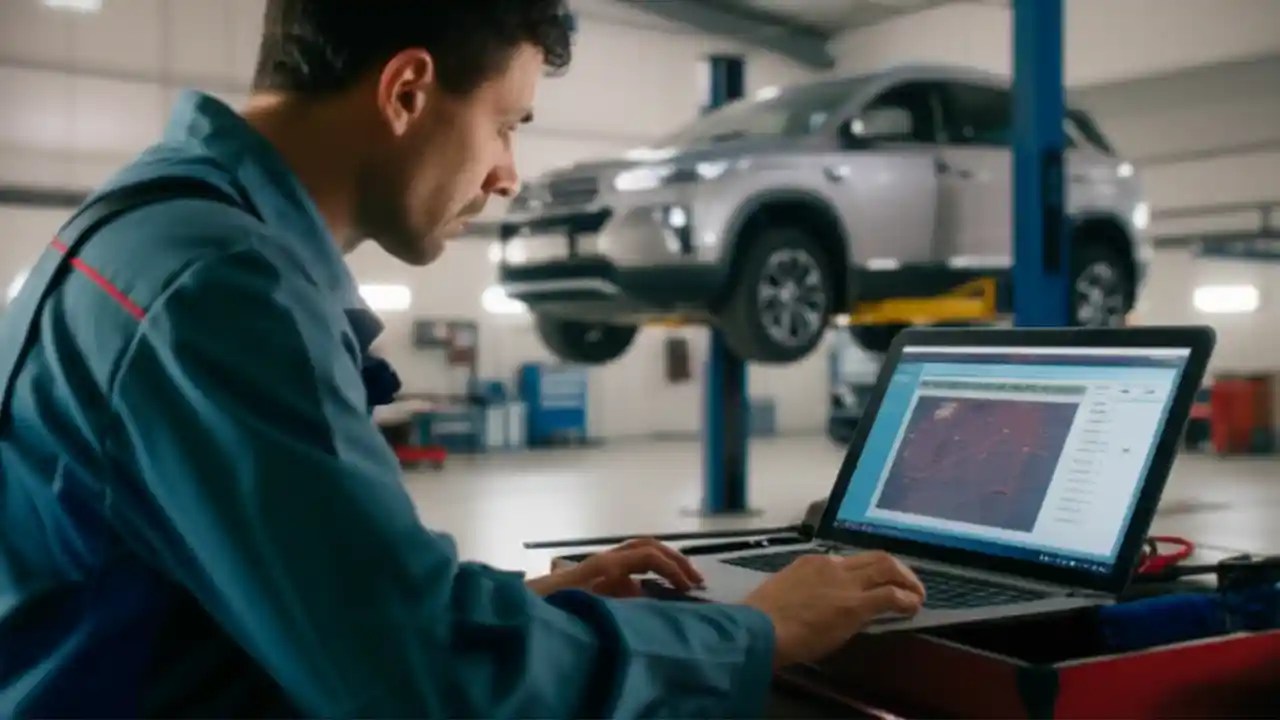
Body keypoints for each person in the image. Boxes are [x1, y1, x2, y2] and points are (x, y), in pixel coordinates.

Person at [0, 1, 925, 716]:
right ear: (407, 92)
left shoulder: (158, 230)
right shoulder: (218, 289)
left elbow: (280, 592)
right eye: (507, 122)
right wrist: (755, 631)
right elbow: (417, 687)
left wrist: (523, 608)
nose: (508, 174)